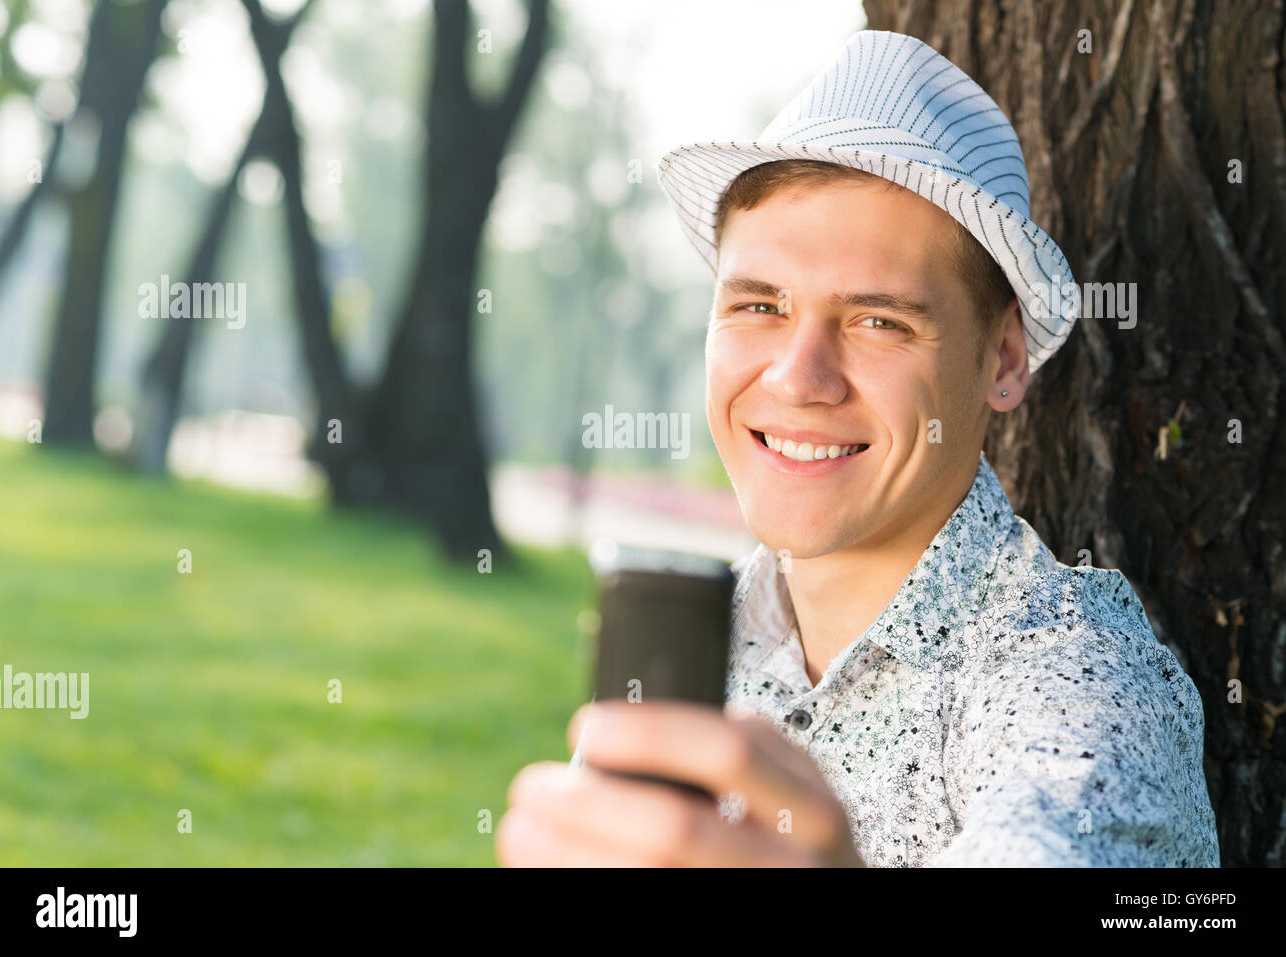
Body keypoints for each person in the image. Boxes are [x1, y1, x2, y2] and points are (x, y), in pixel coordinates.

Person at [496, 29, 1219, 867]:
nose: (799, 379)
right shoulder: (696, 643)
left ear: (1005, 359)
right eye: (758, 306)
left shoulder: (1082, 676)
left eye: (879, 320)